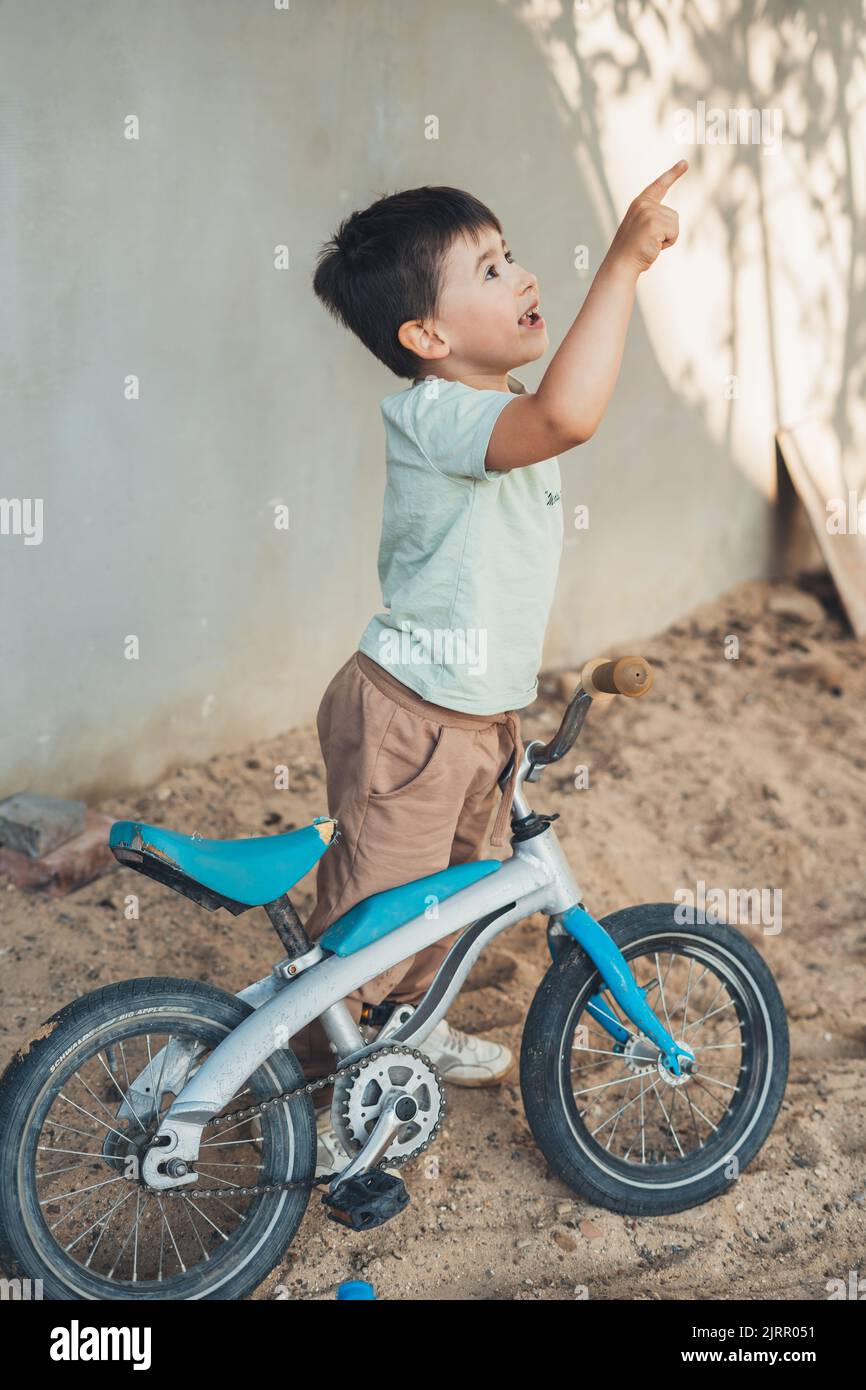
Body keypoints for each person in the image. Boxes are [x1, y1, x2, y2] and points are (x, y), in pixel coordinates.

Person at [295, 167, 687, 1172]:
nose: (519, 277)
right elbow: (567, 416)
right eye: (487, 267)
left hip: (471, 720)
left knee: (456, 898)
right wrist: (623, 265)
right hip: (413, 718)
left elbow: (553, 405)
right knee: (373, 915)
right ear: (426, 338)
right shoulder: (439, 416)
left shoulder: (493, 403)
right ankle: (303, 1083)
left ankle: (405, 1032)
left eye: (509, 255)